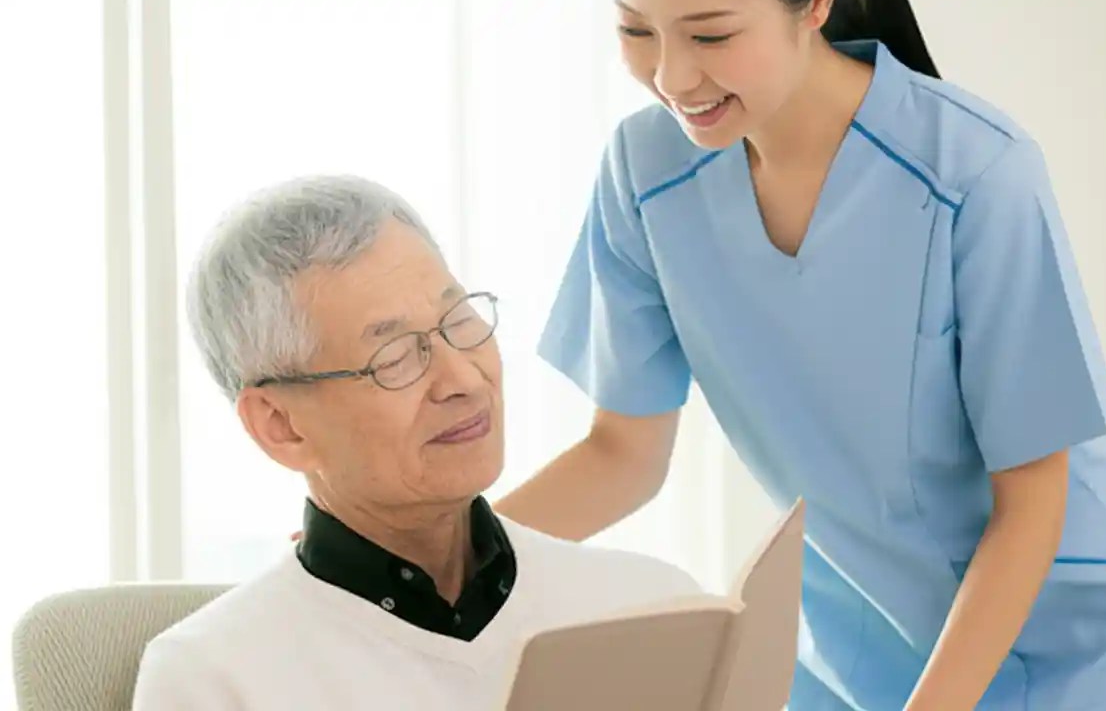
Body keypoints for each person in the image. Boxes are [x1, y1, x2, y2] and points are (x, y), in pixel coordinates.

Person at [494, 0, 1106, 709]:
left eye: (710, 36)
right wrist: (424, 569)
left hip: (1066, 650)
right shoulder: (645, 173)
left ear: (817, 1)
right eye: (635, 29)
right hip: (855, 647)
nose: (671, 77)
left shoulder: (974, 170)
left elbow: (1032, 505)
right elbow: (622, 457)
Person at [132, 176, 700, 710]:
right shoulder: (212, 678)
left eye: (460, 321)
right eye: (396, 357)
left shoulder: (648, 607)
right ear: (282, 425)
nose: (463, 379)